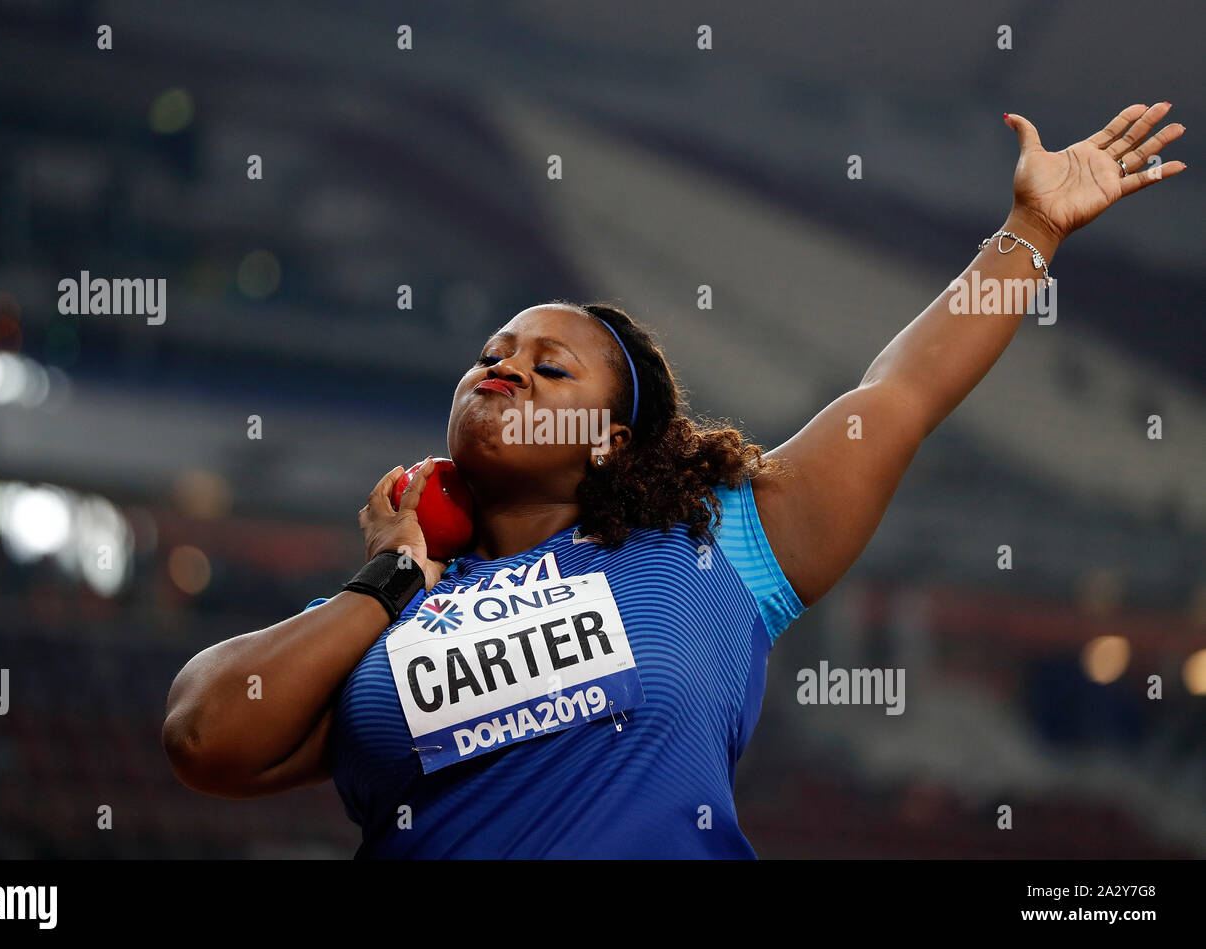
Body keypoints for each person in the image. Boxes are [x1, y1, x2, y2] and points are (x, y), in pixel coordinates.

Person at [162, 103, 1185, 857]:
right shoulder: (393, 615)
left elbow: (901, 391)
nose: (503, 365)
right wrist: (387, 578)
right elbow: (205, 733)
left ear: (611, 439)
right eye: (492, 352)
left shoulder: (717, 548)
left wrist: (1032, 233)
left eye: (548, 365)